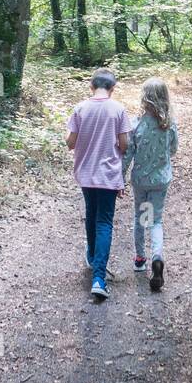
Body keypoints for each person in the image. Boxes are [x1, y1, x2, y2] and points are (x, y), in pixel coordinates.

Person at [65, 68, 133, 300]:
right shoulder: (119, 110)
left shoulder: (80, 108)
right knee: (104, 221)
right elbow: (124, 145)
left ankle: (93, 258)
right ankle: (98, 278)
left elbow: (70, 143)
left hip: (85, 173)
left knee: (91, 214)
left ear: (91, 86)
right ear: (112, 89)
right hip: (108, 174)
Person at [123, 77, 177, 293]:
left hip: (141, 180)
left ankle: (140, 259)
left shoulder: (136, 124)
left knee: (140, 217)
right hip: (161, 180)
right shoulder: (169, 124)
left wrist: (120, 176)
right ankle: (157, 256)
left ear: (144, 97)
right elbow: (173, 149)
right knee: (155, 220)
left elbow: (128, 154)